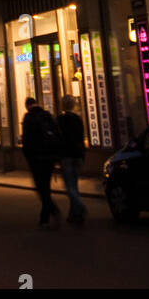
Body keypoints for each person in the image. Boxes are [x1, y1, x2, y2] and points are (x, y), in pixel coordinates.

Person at [21, 97, 61, 227]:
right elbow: (57, 134)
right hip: (49, 157)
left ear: (27, 106)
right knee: (46, 186)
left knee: (41, 187)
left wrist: (29, 157)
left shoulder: (28, 118)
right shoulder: (47, 115)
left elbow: (26, 140)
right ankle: (44, 217)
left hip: (37, 159)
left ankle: (53, 210)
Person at [57, 94, 86, 225]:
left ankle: (79, 206)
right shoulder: (78, 119)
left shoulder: (60, 120)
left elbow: (58, 139)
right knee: (74, 185)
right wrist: (83, 155)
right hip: (78, 155)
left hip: (66, 156)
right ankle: (74, 214)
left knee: (69, 186)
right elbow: (81, 138)